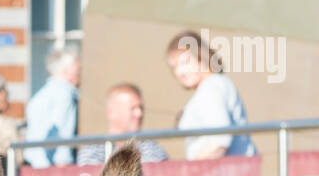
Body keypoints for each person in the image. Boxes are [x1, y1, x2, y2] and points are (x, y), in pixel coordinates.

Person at [166, 31, 256, 160]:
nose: (180, 72)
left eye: (185, 62)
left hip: (228, 174)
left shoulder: (211, 87)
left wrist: (190, 171)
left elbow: (220, 141)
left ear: (201, 56)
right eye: (174, 67)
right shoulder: (214, 84)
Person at [78, 84, 168, 163]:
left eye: (140, 108)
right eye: (132, 109)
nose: (139, 114)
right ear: (111, 112)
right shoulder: (93, 150)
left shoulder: (152, 149)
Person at [24, 48, 80, 167]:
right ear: (65, 70)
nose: (79, 72)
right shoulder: (65, 94)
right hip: (52, 164)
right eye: (77, 68)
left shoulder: (40, 94)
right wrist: (62, 162)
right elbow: (63, 131)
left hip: (34, 162)